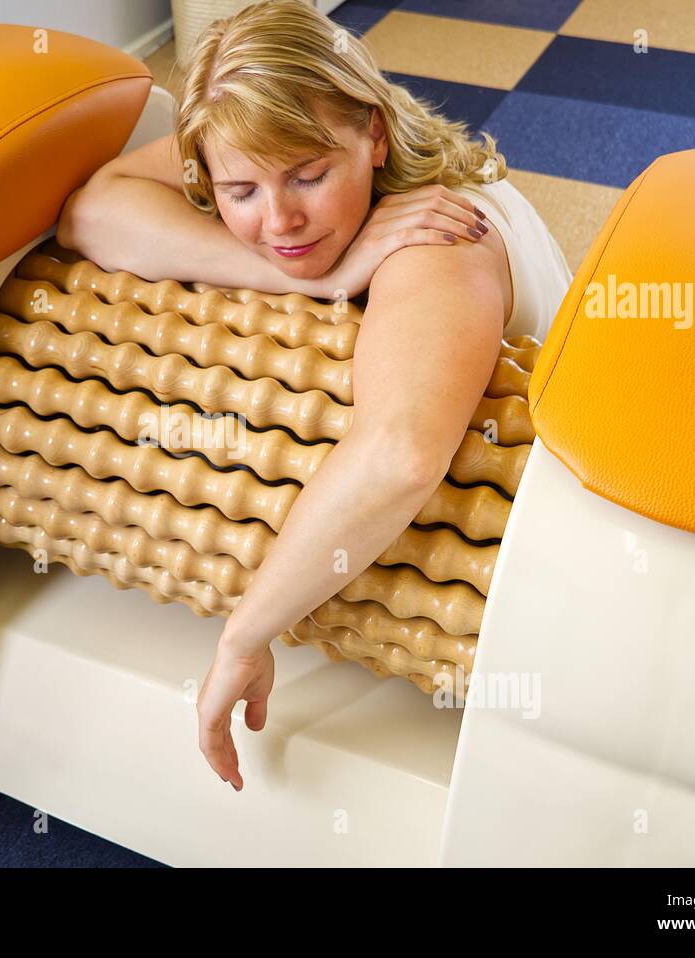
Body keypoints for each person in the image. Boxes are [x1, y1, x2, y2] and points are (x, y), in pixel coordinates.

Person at [56, 0, 572, 791]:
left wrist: (244, 636)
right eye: (240, 191)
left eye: (309, 176)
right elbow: (90, 211)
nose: (279, 218)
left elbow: (399, 455)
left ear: (373, 132)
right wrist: (317, 271)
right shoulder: (252, 148)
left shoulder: (436, 240)